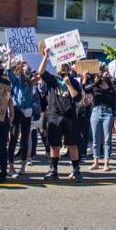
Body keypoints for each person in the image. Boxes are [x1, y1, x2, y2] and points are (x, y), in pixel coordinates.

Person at [38, 53, 83, 181]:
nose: (64, 75)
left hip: (70, 117)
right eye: (62, 73)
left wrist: (68, 84)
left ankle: (76, 170)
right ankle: (54, 170)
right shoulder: (53, 80)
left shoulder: (74, 82)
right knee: (54, 145)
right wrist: (46, 56)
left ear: (70, 72)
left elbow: (77, 97)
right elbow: (40, 72)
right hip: (55, 115)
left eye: (66, 72)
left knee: (72, 144)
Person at [6, 55, 34, 178]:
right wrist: (9, 56)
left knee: (24, 138)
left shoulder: (30, 81)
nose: (25, 69)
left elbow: (41, 73)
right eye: (23, 66)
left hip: (27, 112)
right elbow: (8, 71)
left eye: (27, 67)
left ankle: (23, 164)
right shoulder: (16, 80)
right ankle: (11, 166)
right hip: (16, 110)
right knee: (13, 137)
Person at [85, 69, 116, 171]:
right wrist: (86, 78)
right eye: (106, 74)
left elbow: (114, 104)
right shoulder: (95, 87)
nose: (108, 75)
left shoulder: (111, 88)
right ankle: (96, 162)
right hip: (96, 111)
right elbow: (84, 88)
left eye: (108, 74)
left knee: (107, 139)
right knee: (95, 139)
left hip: (108, 112)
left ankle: (106, 163)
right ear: (101, 75)